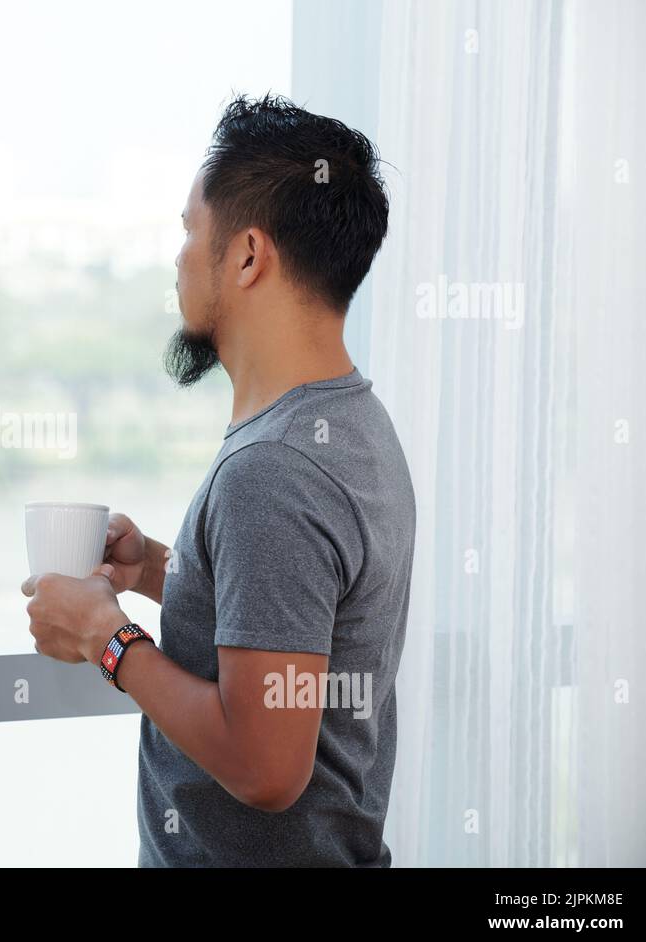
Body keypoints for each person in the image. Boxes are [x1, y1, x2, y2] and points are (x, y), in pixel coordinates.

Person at [21, 93, 415, 867]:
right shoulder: (355, 425)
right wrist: (162, 570)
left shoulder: (273, 469)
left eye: (189, 233)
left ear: (246, 255)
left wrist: (107, 637)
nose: (177, 261)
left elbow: (266, 765)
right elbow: (301, 627)